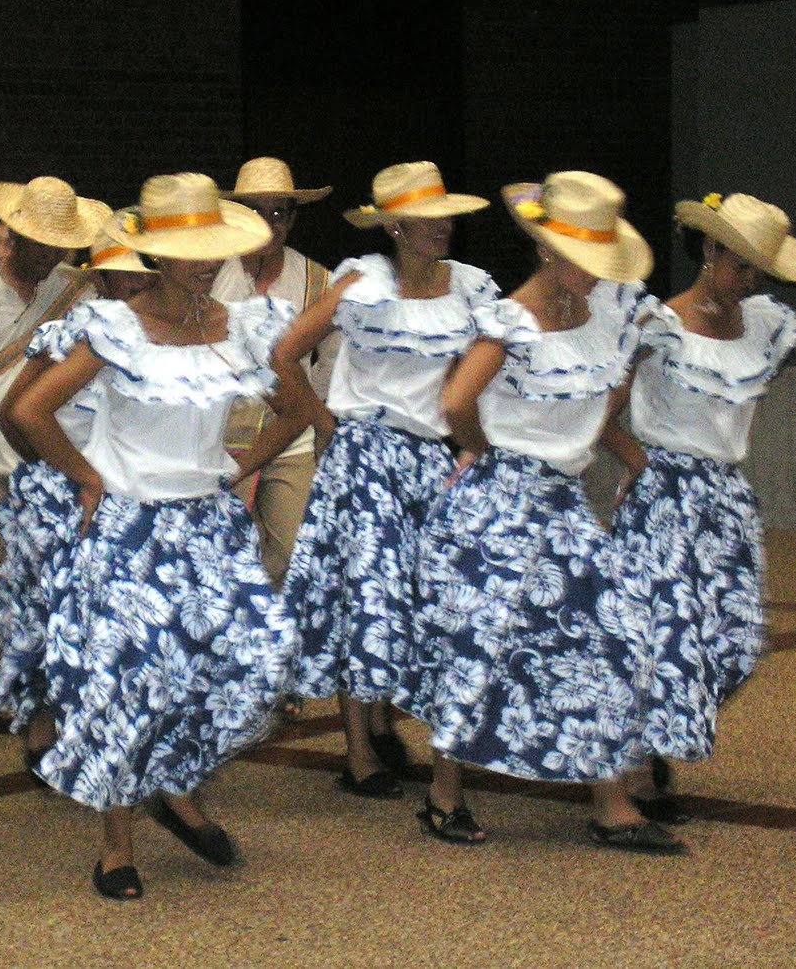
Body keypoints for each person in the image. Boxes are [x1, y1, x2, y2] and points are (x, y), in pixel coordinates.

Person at [4, 173, 314, 900]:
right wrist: (87, 477)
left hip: (206, 525)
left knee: (238, 664)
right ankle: (117, 845)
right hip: (129, 528)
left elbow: (299, 411)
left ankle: (174, 788)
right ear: (155, 254)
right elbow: (29, 411)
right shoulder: (118, 326)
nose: (204, 263)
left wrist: (239, 468)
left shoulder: (241, 326)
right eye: (187, 251)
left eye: (212, 249)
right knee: (128, 683)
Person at [403, 172, 682, 853]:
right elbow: (455, 401)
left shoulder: (604, 311)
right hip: (500, 503)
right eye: (585, 258)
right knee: (478, 646)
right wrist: (482, 451)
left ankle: (611, 803)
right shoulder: (511, 319)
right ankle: (444, 795)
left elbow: (609, 392)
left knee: (608, 636)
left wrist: (620, 452)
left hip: (561, 502)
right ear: (549, 252)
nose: (598, 273)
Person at [273, 161, 497, 799]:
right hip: (366, 456)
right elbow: (284, 354)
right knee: (366, 597)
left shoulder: (470, 287)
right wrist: (324, 424)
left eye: (444, 217)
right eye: (425, 219)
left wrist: (476, 442)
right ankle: (358, 750)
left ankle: (384, 722)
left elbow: (491, 369)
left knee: (424, 599)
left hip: (430, 458)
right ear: (394, 228)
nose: (441, 228)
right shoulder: (363, 282)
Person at [601, 191, 796, 824]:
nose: (749, 280)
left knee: (737, 640)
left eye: (758, 271)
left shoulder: (764, 326)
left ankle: (654, 737)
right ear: (709, 250)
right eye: (740, 265)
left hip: (724, 498)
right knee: (661, 638)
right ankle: (635, 773)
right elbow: (600, 411)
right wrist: (640, 463)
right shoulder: (659, 324)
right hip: (663, 497)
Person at [0, 178, 106, 761]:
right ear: (12, 236)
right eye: (40, 241)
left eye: (60, 244)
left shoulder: (79, 292)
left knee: (42, 592)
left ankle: (31, 707)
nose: (50, 253)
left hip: (45, 464)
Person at [0, 229, 156, 779]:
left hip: (129, 495)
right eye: (122, 275)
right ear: (99, 278)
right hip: (66, 493)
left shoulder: (160, 337)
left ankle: (103, 732)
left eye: (144, 274)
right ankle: (42, 730)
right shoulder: (68, 334)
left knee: (110, 622)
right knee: (47, 613)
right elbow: (14, 414)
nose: (135, 285)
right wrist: (61, 472)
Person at [213, 157, 340, 590]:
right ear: (238, 214)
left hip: (290, 438)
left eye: (279, 212)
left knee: (292, 554)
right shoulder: (208, 270)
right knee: (219, 553)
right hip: (217, 437)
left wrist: (308, 406)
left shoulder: (318, 280)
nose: (268, 222)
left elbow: (332, 362)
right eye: (256, 210)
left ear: (292, 218)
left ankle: (264, 615)